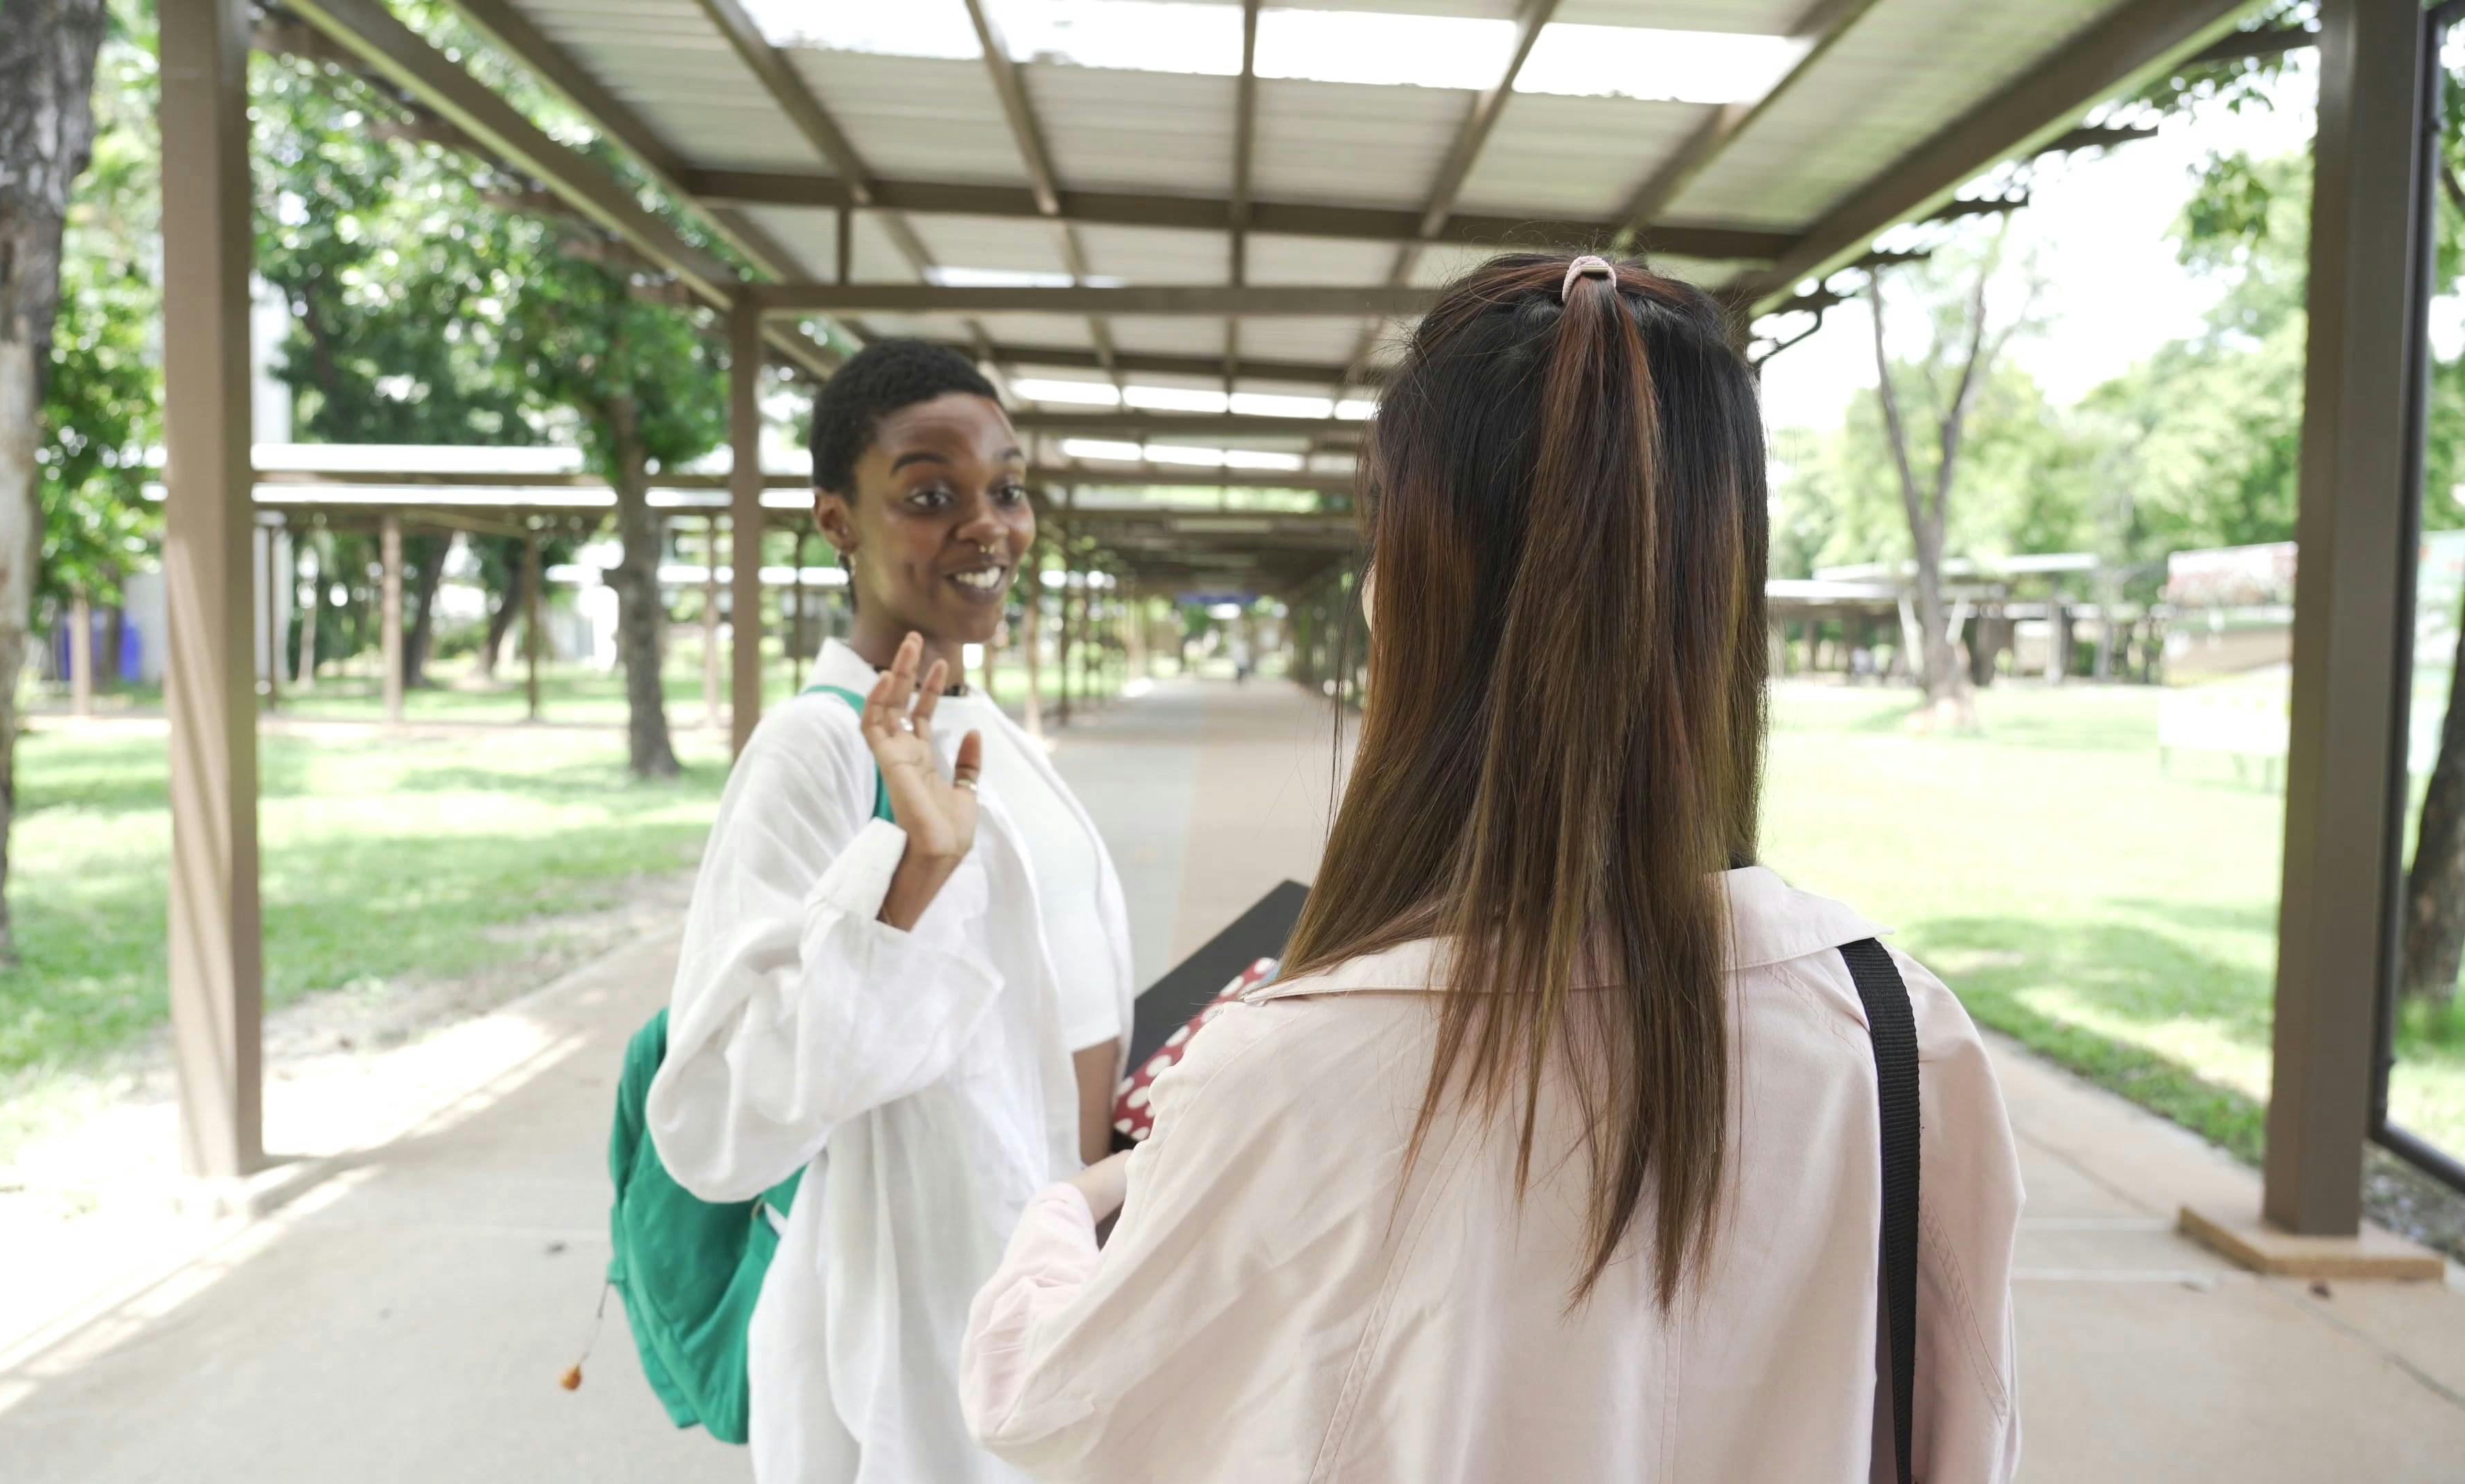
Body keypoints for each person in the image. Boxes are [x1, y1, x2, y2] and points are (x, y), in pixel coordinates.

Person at [957, 255, 2025, 1483]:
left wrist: (1075, 1207)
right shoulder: (1900, 1038)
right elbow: (1964, 1439)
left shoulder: (1286, 1068)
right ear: (1723, 594)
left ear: (1414, 586)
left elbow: (1049, 1405)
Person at [646, 339, 1135, 1484]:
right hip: (919, 1289)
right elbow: (723, 1113)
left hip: (1054, 1258)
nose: (988, 525)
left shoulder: (984, 727)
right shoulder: (810, 753)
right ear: (838, 523)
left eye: (1005, 490)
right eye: (930, 495)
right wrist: (908, 878)